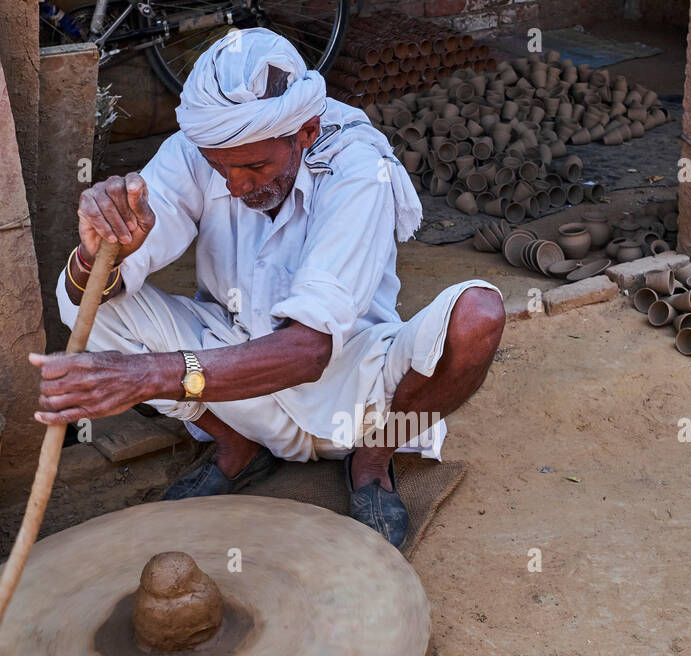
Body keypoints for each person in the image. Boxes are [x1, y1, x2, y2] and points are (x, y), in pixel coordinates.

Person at [32, 28, 505, 548]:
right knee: (84, 301)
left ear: (305, 131)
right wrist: (103, 248)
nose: (236, 185)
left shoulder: (357, 166)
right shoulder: (197, 149)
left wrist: (151, 375)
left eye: (255, 166)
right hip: (231, 371)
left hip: (356, 386)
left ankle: (372, 461)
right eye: (220, 168)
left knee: (477, 315)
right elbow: (103, 276)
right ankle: (237, 446)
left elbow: (309, 351)